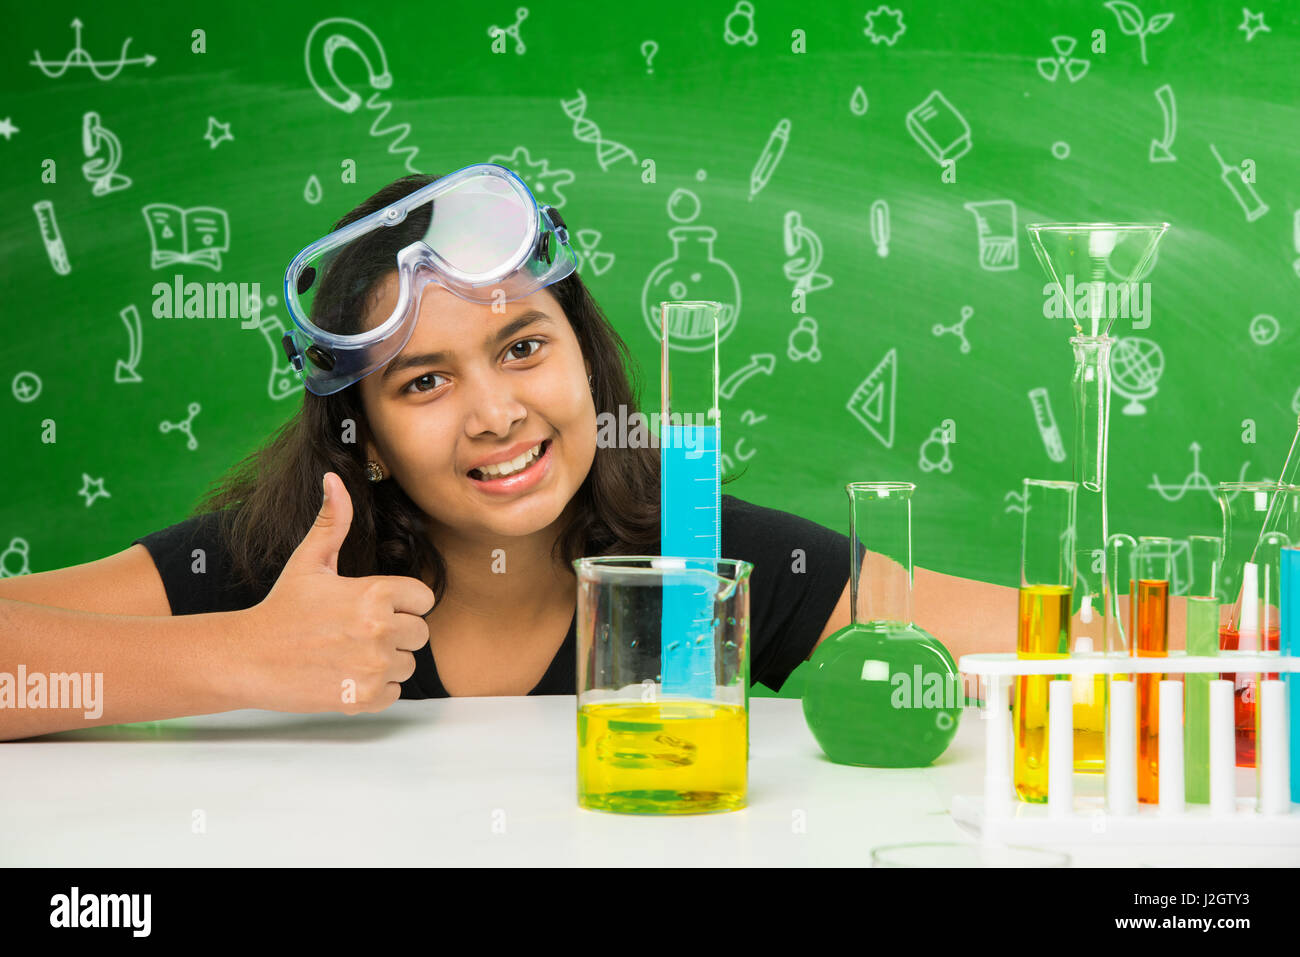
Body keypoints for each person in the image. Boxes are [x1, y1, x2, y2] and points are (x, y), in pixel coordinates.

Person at [0, 164, 1016, 742]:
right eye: (423, 382)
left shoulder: (698, 552)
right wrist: (240, 654)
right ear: (371, 442)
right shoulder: (282, 567)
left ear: (588, 365)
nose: (495, 414)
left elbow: (1051, 647)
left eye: (523, 348)